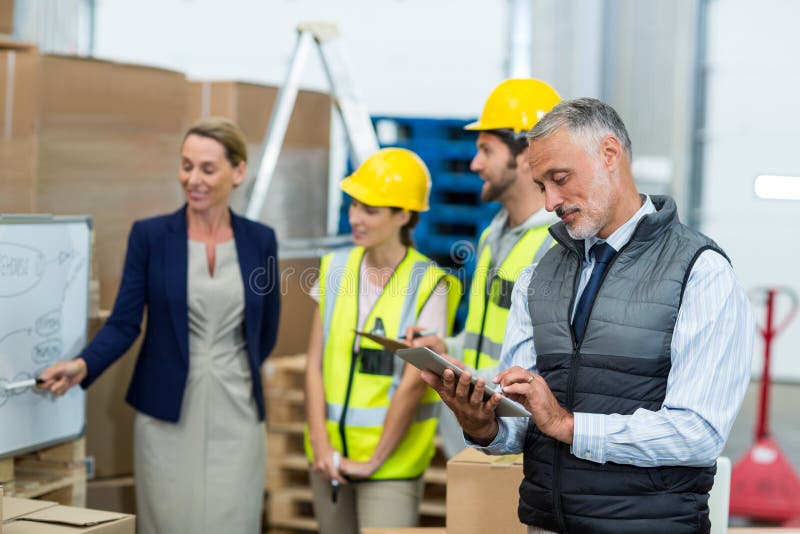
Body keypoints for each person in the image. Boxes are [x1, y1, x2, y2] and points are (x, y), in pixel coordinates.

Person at [422, 98, 754, 533]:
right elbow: (525, 425)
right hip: (547, 523)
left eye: (560, 179)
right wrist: (482, 423)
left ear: (610, 154)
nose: (550, 203)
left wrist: (568, 425)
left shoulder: (700, 272)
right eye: (541, 186)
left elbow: (697, 432)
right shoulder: (538, 275)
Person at [38, 117, 280, 534]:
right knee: (168, 523)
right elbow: (124, 322)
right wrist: (83, 365)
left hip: (238, 412)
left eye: (207, 168)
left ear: (238, 172)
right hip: (167, 413)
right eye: (186, 166)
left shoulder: (261, 241)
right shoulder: (151, 236)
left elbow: (267, 327)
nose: (193, 179)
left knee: (234, 522)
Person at [304, 147, 462, 533]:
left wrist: (374, 461)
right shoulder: (335, 268)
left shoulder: (430, 285)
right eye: (354, 205)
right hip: (329, 460)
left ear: (404, 215)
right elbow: (313, 364)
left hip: (390, 467)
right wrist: (322, 448)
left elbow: (412, 386)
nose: (355, 218)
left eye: (370, 210)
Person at [411, 78, 561, 458]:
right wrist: (448, 349)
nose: (475, 163)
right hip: (476, 434)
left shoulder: (557, 247)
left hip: (519, 442)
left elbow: (553, 364)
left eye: (486, 150)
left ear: (527, 154)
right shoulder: (492, 236)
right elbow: (485, 334)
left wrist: (474, 380)